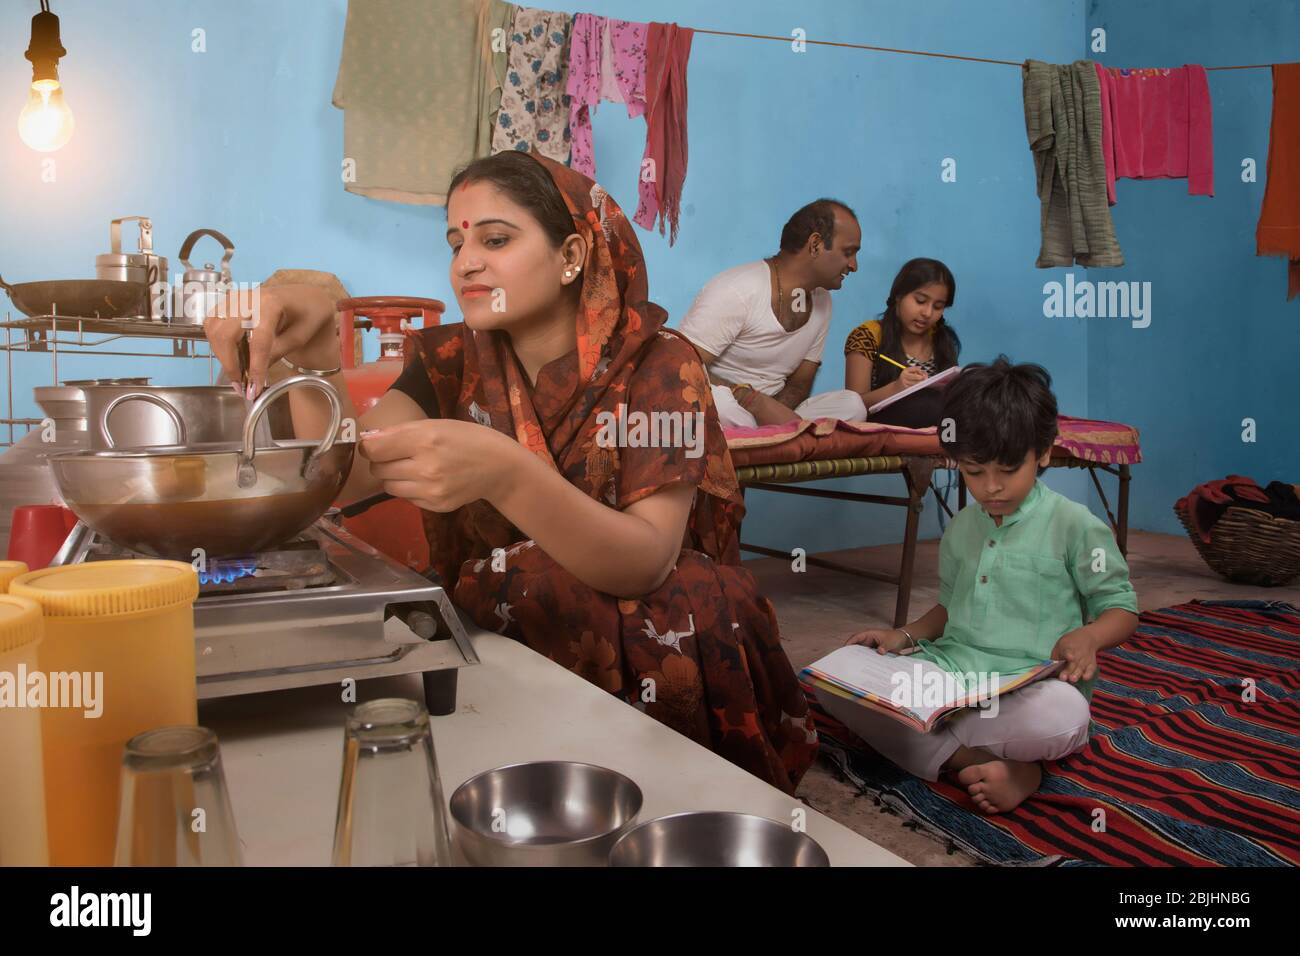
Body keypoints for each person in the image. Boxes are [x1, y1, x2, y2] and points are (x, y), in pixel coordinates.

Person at [203, 150, 818, 794]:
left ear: (572, 256)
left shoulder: (661, 363)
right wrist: (286, 356)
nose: (466, 261)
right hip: (506, 625)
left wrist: (506, 473)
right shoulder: (447, 360)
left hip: (647, 628)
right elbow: (351, 471)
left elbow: (646, 561)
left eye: (495, 239)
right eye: (455, 241)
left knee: (686, 593)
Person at [816, 358, 1139, 813]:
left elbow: (1122, 609)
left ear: (1043, 451)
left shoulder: (1075, 526)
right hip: (948, 673)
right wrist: (901, 636)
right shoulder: (962, 526)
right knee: (834, 676)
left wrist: (1088, 637)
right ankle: (980, 758)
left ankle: (938, 740)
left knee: (1065, 717)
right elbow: (949, 607)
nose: (991, 487)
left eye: (1008, 470)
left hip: (1026, 688)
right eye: (974, 471)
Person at [677, 199, 868, 428]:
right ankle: (778, 439)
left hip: (776, 409)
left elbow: (800, 384)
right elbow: (678, 367)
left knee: (852, 405)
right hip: (727, 407)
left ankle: (774, 437)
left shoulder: (822, 302)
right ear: (815, 244)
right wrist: (751, 401)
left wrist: (775, 415)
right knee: (723, 408)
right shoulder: (738, 290)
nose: (854, 266)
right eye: (848, 253)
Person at [843, 257, 962, 428]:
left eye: (937, 306)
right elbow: (851, 407)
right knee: (925, 405)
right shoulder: (866, 336)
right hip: (884, 426)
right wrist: (897, 387)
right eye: (920, 301)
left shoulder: (942, 339)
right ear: (899, 295)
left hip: (937, 424)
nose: (927, 313)